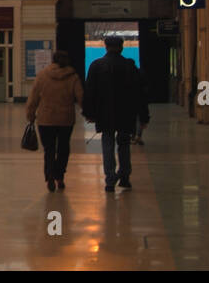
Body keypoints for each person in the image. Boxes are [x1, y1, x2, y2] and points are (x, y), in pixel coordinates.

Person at [83, 37, 149, 192]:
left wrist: (89, 113)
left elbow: (89, 92)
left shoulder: (96, 66)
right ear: (122, 48)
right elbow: (140, 94)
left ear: (106, 47)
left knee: (107, 143)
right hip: (126, 113)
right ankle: (125, 176)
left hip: (105, 114)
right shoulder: (130, 66)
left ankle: (110, 179)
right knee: (124, 144)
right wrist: (144, 117)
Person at [25, 50, 83, 192]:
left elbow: (33, 98)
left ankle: (50, 176)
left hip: (46, 119)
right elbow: (80, 96)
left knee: (49, 149)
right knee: (63, 148)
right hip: (66, 119)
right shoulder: (73, 77)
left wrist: (31, 115)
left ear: (53, 60)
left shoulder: (42, 75)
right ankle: (60, 176)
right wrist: (88, 113)